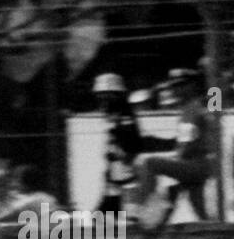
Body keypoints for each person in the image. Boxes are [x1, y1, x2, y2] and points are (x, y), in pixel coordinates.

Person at [133, 69, 217, 226]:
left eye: (180, 85)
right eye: (174, 86)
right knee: (201, 212)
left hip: (197, 164)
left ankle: (145, 214)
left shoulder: (195, 108)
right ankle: (156, 224)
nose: (175, 90)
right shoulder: (190, 108)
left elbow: (188, 143)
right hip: (196, 165)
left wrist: (174, 167)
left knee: (150, 163)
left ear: (191, 86)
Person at [91, 72, 143, 214]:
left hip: (124, 172)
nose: (102, 100)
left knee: (129, 214)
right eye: (100, 96)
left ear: (116, 95)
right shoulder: (114, 115)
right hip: (116, 173)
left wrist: (119, 157)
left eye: (105, 96)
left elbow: (131, 144)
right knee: (107, 211)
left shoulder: (124, 116)